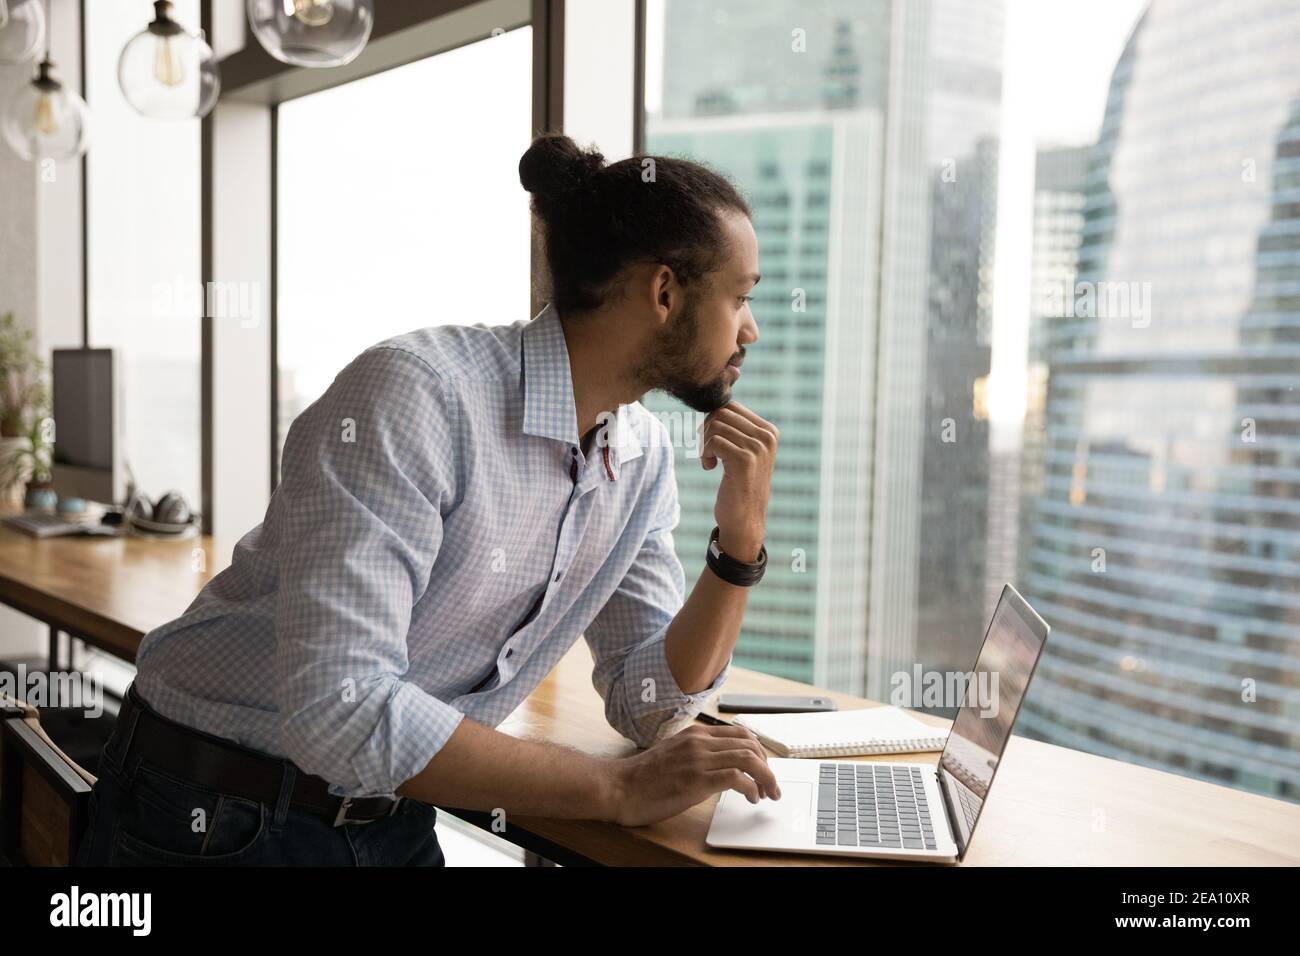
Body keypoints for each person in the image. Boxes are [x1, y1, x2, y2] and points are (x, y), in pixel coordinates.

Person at [76, 132, 781, 866]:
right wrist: (614, 790)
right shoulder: (417, 395)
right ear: (664, 292)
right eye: (740, 297)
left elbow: (650, 704)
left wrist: (738, 550)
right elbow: (340, 710)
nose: (750, 330)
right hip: (210, 809)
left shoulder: (640, 457)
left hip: (393, 814)